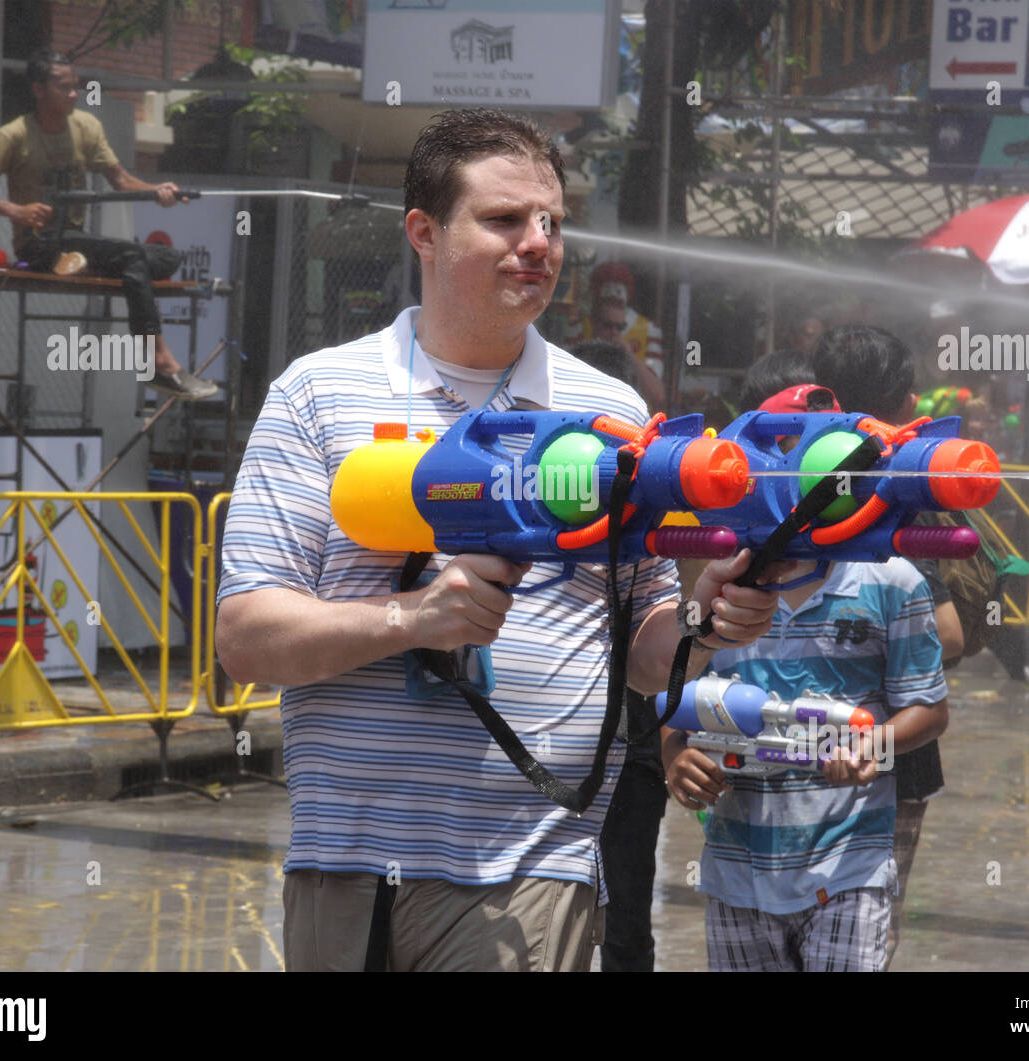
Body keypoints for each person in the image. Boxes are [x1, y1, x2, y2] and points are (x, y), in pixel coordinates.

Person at [214, 107, 789, 972]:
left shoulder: (611, 418)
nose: (538, 243)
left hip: (535, 866)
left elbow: (645, 650)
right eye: (504, 220)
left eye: (551, 222)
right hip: (345, 865)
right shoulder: (317, 396)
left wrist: (710, 624)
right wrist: (412, 619)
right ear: (424, 232)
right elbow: (247, 639)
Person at [663, 377, 950, 972]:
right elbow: (671, 694)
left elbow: (929, 708)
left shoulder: (892, 582)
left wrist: (872, 744)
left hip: (851, 865)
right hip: (736, 870)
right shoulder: (716, 585)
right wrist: (674, 758)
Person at [811, 322, 962, 966]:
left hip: (789, 752)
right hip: (890, 761)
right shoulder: (899, 493)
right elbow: (950, 633)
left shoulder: (786, 483)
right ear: (900, 403)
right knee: (866, 938)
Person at [0, 49, 216, 401]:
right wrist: (14, 211)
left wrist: (158, 191)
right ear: (39, 90)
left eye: (76, 87)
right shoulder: (13, 135)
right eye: (64, 87)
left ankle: (87, 270)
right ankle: (159, 361)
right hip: (40, 245)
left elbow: (121, 180)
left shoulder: (87, 127)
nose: (74, 94)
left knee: (167, 257)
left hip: (77, 242)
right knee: (132, 258)